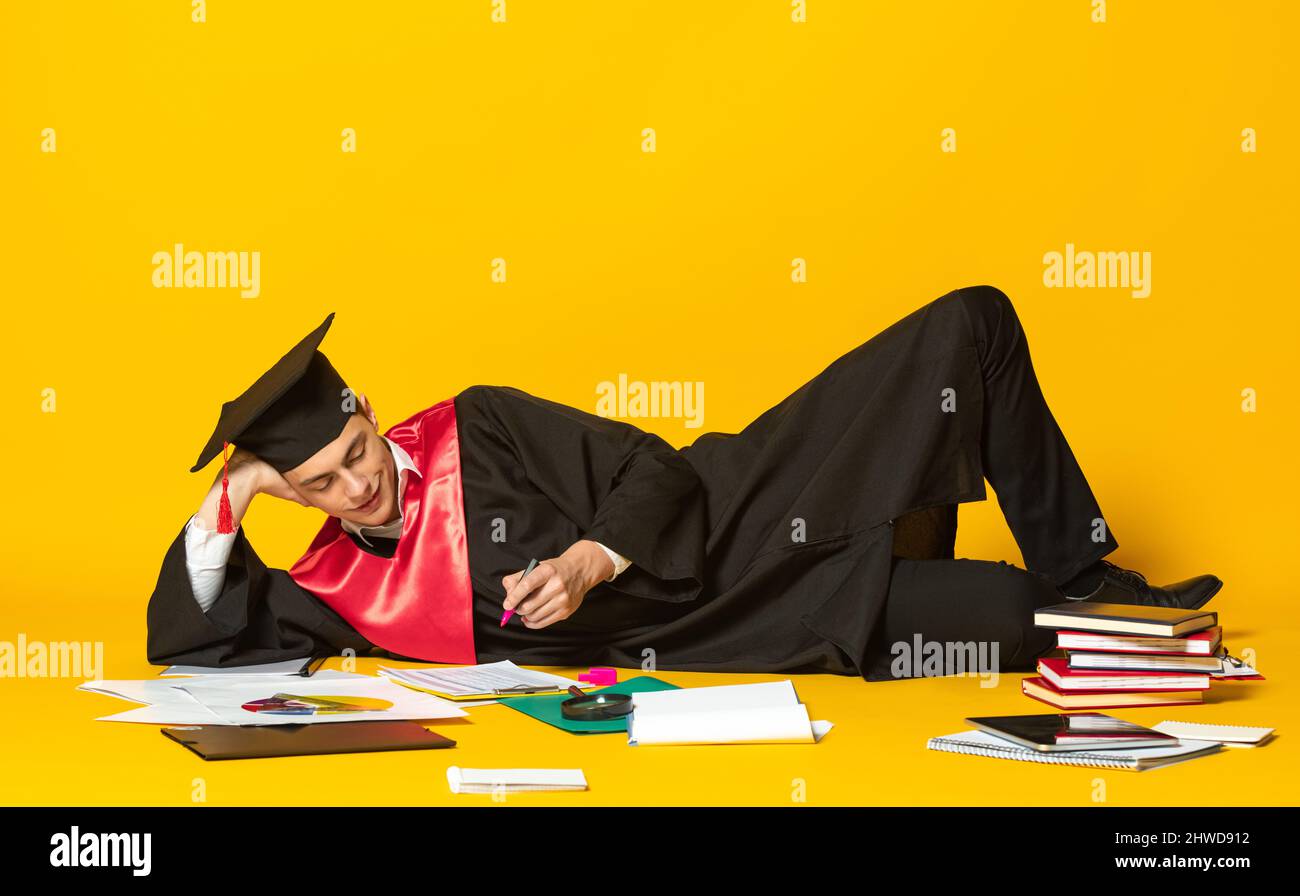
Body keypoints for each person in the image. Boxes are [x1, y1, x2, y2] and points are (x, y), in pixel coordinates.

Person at [146, 287, 1222, 681]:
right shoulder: (339, 589)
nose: (357, 490)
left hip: (748, 496)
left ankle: (1080, 566)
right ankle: (987, 580)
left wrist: (585, 556)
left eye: (356, 454)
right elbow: (192, 636)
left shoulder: (477, 424)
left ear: (369, 412)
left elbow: (649, 467)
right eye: (322, 485)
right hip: (768, 622)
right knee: (999, 617)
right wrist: (229, 498)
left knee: (969, 325)